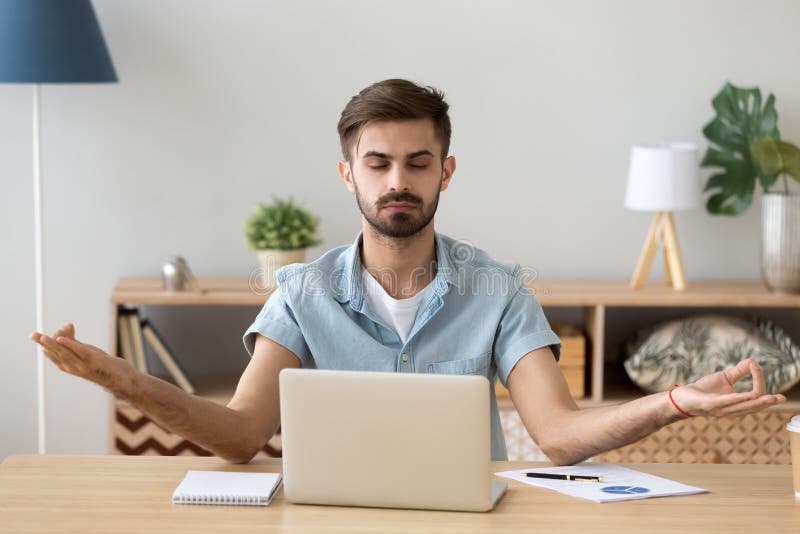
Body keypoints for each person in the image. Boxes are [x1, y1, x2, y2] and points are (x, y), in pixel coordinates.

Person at [30, 79, 786, 465]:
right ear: (347, 173)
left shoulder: (498, 290)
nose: (398, 179)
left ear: (445, 172)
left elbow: (556, 436)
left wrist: (675, 403)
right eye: (378, 162)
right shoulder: (301, 293)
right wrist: (120, 379)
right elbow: (240, 436)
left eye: (417, 163)